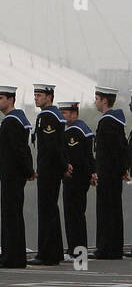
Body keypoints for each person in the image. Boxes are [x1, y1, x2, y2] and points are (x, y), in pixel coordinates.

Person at [0, 85, 34, 269]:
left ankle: (11, 256)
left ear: (11, 100)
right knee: (13, 214)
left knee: (11, 216)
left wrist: (28, 171)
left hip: (12, 174)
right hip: (15, 174)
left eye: (1, 98)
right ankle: (13, 255)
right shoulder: (16, 120)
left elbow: (19, 151)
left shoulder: (12, 122)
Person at [91, 85, 129, 259]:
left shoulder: (107, 122)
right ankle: (113, 247)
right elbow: (123, 149)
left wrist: (100, 171)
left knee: (106, 211)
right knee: (114, 210)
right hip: (114, 173)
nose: (95, 102)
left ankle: (106, 248)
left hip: (107, 174)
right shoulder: (116, 122)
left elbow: (109, 152)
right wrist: (123, 169)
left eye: (97, 99)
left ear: (104, 100)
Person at [29, 84, 65, 266]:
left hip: (48, 169)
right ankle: (56, 251)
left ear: (49, 97)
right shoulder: (55, 115)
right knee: (52, 209)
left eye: (40, 95)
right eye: (35, 94)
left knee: (46, 211)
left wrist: (61, 165)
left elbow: (51, 147)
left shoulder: (47, 117)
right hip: (53, 169)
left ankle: (46, 253)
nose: (36, 98)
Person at [59, 99, 93, 258]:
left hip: (74, 179)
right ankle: (80, 249)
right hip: (83, 178)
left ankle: (75, 250)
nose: (62, 116)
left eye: (64, 113)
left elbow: (75, 157)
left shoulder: (73, 131)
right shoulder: (85, 128)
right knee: (79, 214)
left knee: (73, 215)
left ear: (73, 114)